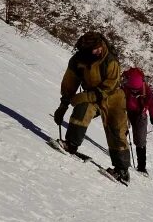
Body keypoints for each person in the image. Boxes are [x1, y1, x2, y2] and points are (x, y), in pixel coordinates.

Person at [53, 31, 131, 183]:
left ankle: (122, 171)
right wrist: (64, 104)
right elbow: (70, 82)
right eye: (95, 49)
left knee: (116, 131)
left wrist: (87, 96)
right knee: (82, 109)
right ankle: (71, 144)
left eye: (99, 47)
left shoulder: (110, 61)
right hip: (93, 96)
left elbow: (110, 87)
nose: (99, 50)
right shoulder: (77, 61)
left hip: (114, 98)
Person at [122, 67, 153, 174]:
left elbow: (152, 105)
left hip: (140, 114)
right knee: (122, 133)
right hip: (126, 112)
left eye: (136, 90)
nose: (134, 92)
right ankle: (123, 158)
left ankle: (141, 167)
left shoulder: (146, 90)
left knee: (140, 140)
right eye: (132, 89)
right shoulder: (124, 87)